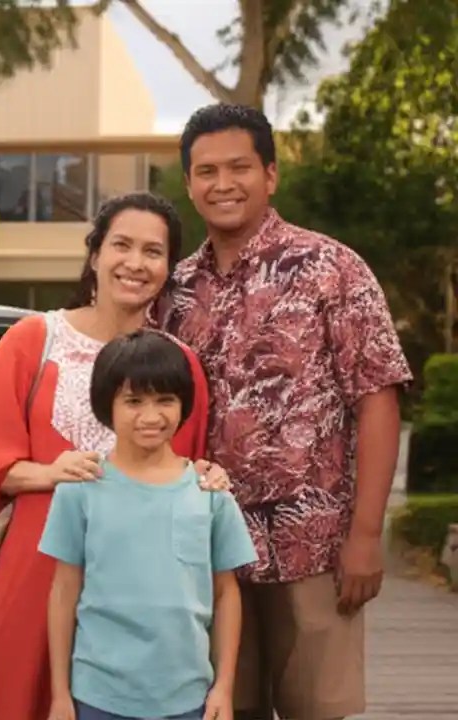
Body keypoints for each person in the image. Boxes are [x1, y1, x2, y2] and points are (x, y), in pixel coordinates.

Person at [162, 103, 414, 720]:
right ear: (190, 183)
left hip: (315, 550)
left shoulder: (332, 268)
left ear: (270, 174)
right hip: (205, 552)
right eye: (206, 171)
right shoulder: (174, 288)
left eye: (239, 167)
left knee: (317, 712)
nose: (223, 184)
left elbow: (377, 397)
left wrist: (365, 536)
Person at [0, 192, 230, 720]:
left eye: (153, 251)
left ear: (168, 268)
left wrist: (207, 474)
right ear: (95, 254)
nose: (135, 262)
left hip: (144, 593)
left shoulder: (181, 365)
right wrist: (49, 472)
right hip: (38, 571)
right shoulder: (32, 341)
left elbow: (184, 472)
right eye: (121, 245)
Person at [39, 329, 258, 720]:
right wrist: (60, 693)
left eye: (165, 400)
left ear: (183, 405)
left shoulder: (210, 492)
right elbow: (63, 590)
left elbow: (226, 594)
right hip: (98, 696)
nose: (151, 416)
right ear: (106, 405)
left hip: (188, 698)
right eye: (134, 401)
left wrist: (224, 687)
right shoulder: (79, 490)